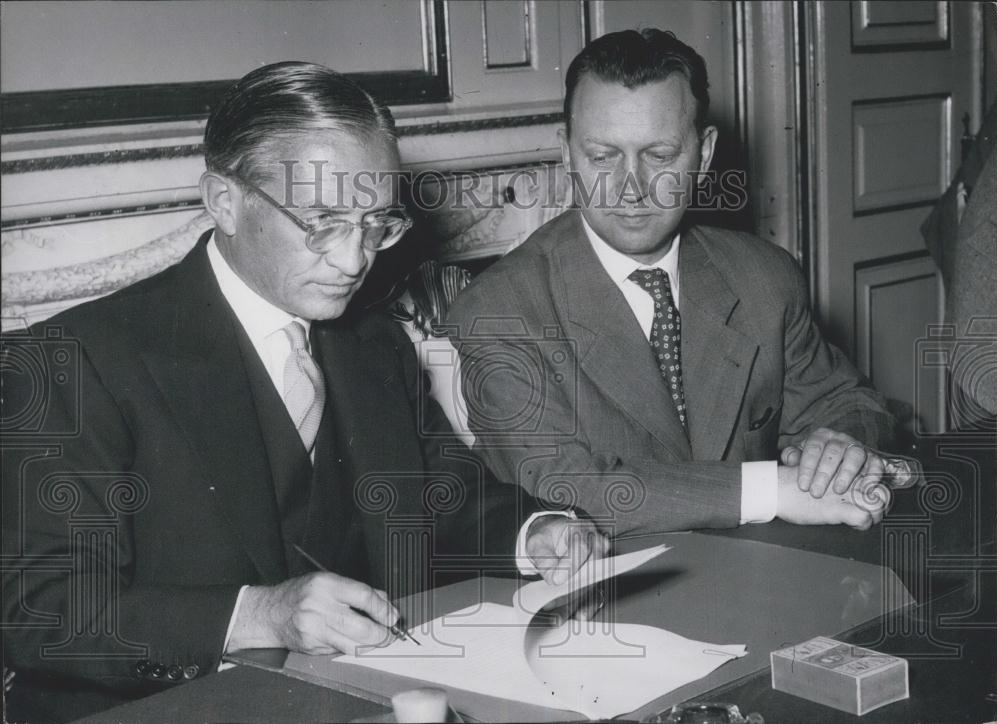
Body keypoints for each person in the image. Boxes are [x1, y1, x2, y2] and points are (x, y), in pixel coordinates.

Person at [0, 62, 606, 722]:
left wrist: (534, 532)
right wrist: (255, 614)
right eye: (322, 220)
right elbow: (42, 610)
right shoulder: (78, 359)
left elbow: (443, 496)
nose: (354, 260)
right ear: (224, 201)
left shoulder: (372, 342)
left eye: (377, 224)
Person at [446, 29, 897, 536]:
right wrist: (775, 489)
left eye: (659, 156)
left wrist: (837, 447)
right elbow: (564, 488)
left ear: (703, 156)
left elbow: (850, 403)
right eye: (602, 157)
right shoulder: (500, 309)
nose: (632, 188)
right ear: (566, 152)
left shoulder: (764, 277)